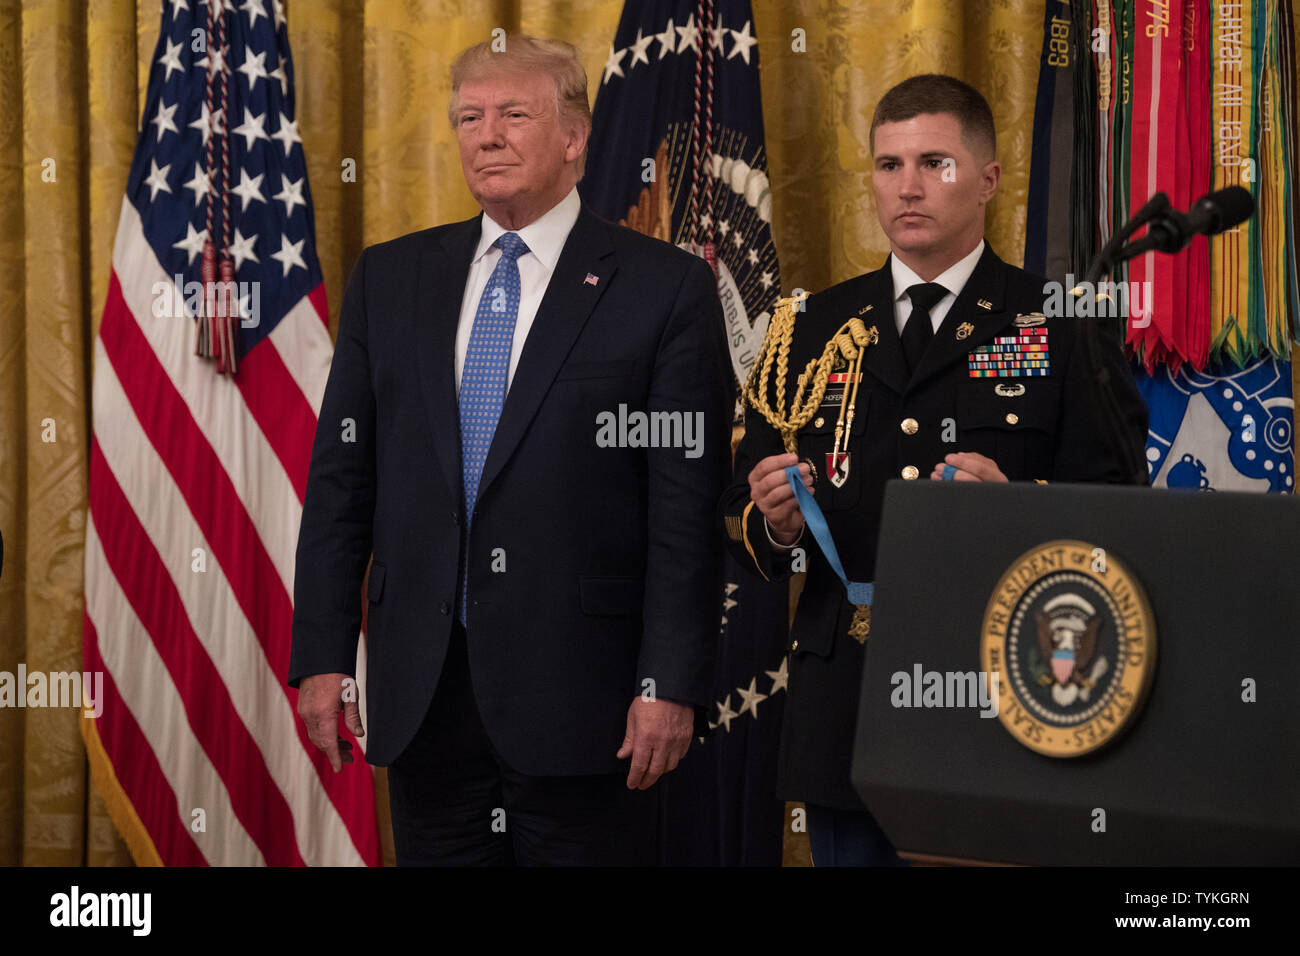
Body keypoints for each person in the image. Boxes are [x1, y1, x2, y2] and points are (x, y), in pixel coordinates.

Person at [290, 35, 730, 866]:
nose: (486, 135)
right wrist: (319, 654)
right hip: (424, 695)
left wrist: (668, 682)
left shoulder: (664, 287)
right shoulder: (390, 280)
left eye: (513, 115)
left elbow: (686, 512)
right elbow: (342, 480)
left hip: (589, 703)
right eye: (469, 118)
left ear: (574, 137)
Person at [720, 74, 1149, 866]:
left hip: (1004, 701)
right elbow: (742, 522)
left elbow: (1125, 523)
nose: (907, 187)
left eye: (934, 163)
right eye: (888, 166)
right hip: (847, 700)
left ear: (987, 181)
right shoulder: (808, 327)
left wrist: (1016, 514)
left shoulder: (1062, 326)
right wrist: (777, 526)